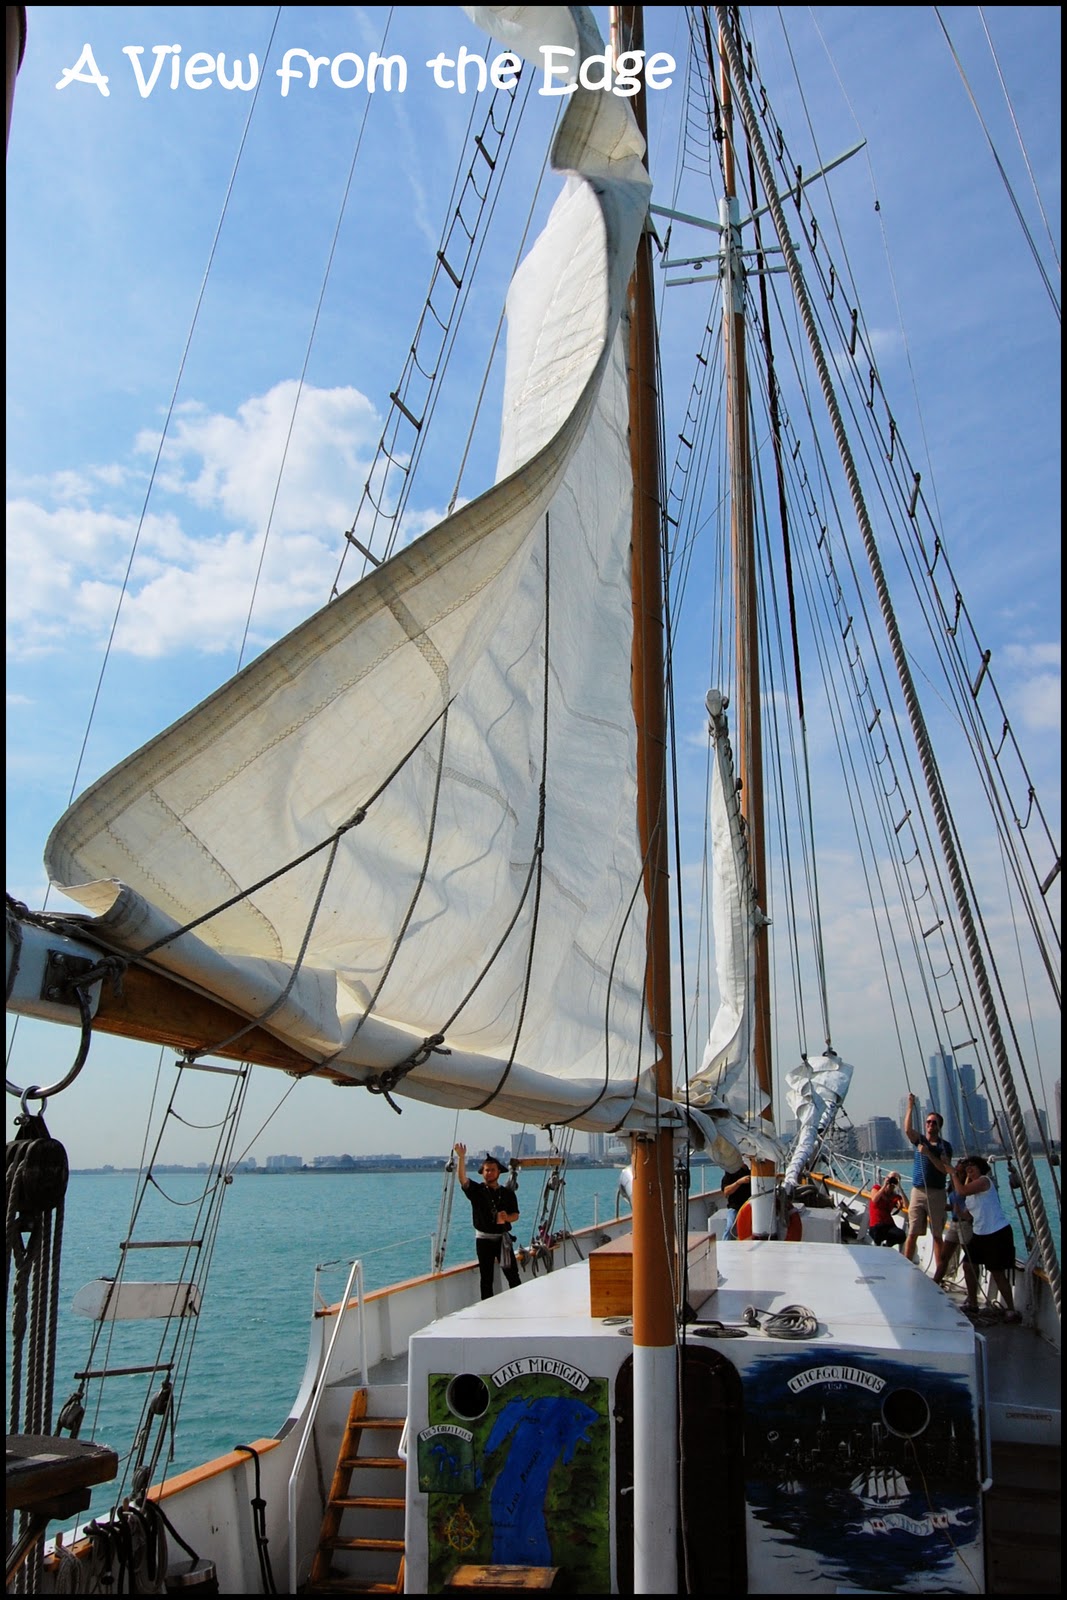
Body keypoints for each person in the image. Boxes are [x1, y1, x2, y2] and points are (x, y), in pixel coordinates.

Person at [950, 1156, 1021, 1321]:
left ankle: (1010, 1309)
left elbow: (961, 1191)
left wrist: (953, 1174)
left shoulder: (984, 1182)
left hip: (996, 1232)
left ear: (980, 1168)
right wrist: (960, 1213)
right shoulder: (971, 1192)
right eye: (967, 1167)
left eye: (972, 1166)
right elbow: (969, 1215)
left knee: (997, 1272)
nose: (969, 1169)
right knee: (968, 1266)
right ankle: (973, 1303)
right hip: (980, 1233)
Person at [454, 1142, 521, 1299]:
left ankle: (518, 1302)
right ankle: (487, 1310)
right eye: (486, 1170)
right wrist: (461, 1158)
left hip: (503, 1240)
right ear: (482, 1173)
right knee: (486, 1278)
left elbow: (516, 1215)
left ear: (498, 1172)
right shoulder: (477, 1191)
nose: (489, 1173)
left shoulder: (507, 1194)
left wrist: (506, 1218)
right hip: (483, 1240)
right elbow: (463, 1179)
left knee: (513, 1276)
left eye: (492, 1170)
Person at [902, 1093, 953, 1271]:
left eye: (934, 1123)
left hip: (936, 1192)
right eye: (928, 1122)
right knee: (913, 1231)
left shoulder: (944, 1147)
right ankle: (906, 1267)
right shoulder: (920, 1140)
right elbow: (908, 1130)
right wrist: (910, 1106)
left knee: (937, 1234)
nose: (930, 1125)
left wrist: (929, 1154)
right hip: (918, 1191)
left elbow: (944, 1168)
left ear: (939, 1127)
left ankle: (939, 1273)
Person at [934, 1159, 980, 1310]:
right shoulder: (952, 1183)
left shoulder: (967, 1183)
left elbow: (966, 1197)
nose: (957, 1164)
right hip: (954, 1223)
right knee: (944, 1256)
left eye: (960, 1163)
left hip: (965, 1224)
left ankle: (972, 1299)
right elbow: (954, 1203)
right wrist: (941, 1206)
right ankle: (934, 1285)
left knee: (969, 1261)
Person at [868, 1171, 907, 1248]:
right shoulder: (877, 1188)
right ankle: (878, 1245)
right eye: (890, 1178)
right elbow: (874, 1199)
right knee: (878, 1229)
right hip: (876, 1225)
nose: (891, 1181)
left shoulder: (895, 1196)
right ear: (885, 1178)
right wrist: (884, 1185)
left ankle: (887, 1245)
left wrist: (900, 1188)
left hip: (888, 1225)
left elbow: (907, 1205)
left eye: (894, 1179)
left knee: (901, 1235)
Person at [721, 1163, 751, 1240]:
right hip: (735, 1207)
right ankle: (725, 1246)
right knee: (730, 1227)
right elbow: (726, 1191)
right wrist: (739, 1182)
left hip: (750, 1207)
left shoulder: (751, 1172)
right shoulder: (730, 1173)